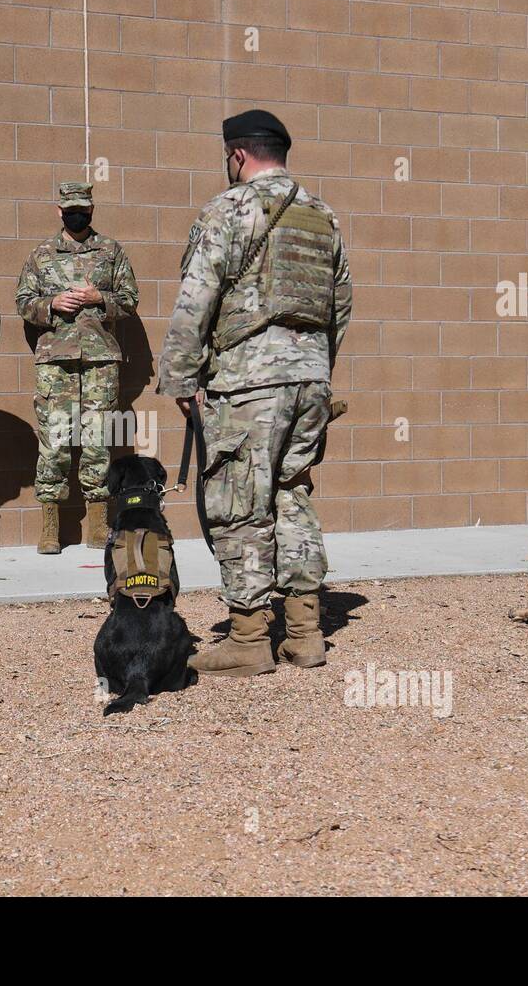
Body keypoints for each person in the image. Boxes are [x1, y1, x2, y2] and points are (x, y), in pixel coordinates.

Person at [157, 109, 352, 677]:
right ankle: (306, 633)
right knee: (291, 493)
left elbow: (197, 297)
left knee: (240, 501)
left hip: (249, 380)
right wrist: (314, 368)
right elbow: (340, 304)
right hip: (310, 379)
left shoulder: (228, 209)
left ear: (238, 155)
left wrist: (181, 376)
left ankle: (247, 638)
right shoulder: (323, 216)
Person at [15, 181, 139, 553]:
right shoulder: (41, 255)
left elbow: (130, 299)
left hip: (101, 360)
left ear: (92, 210)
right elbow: (23, 302)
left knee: (99, 440)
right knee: (54, 441)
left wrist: (100, 297)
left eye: (83, 208)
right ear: (59, 211)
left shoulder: (112, 251)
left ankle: (99, 523)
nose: (76, 214)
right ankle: (50, 526)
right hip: (56, 362)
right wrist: (52, 304)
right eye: (70, 208)